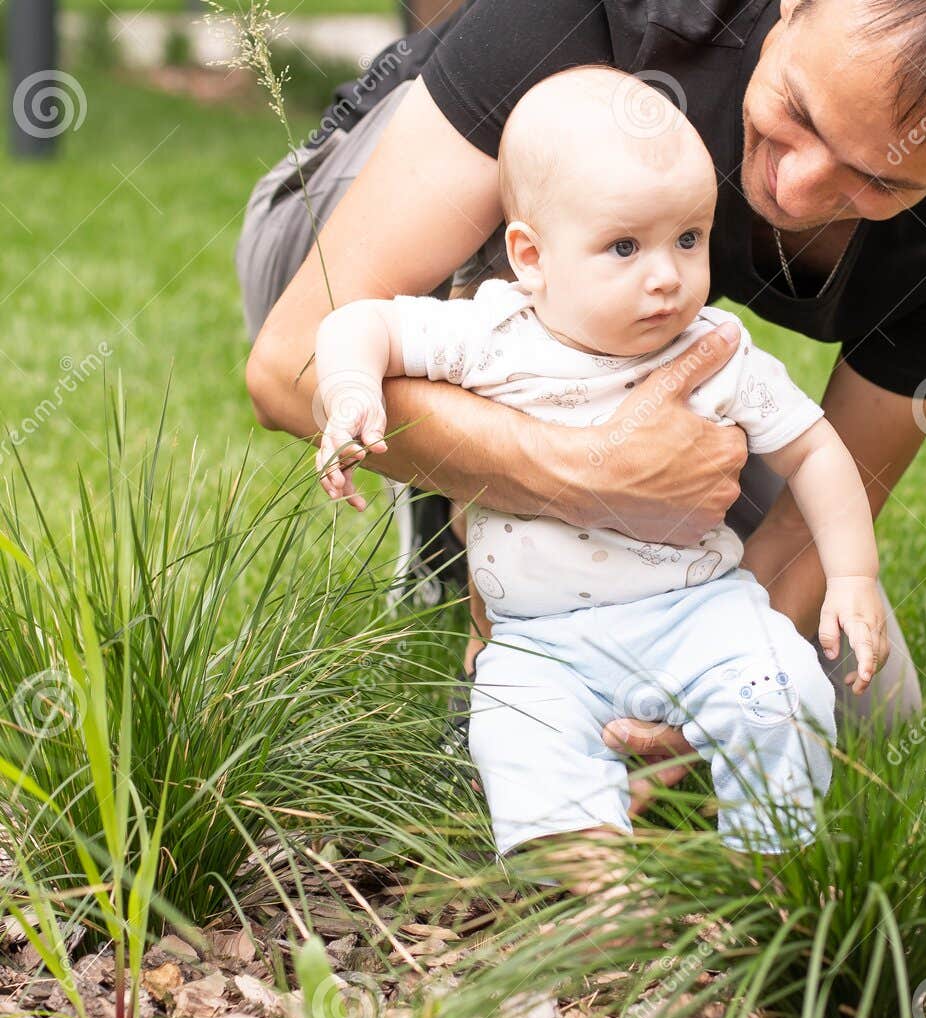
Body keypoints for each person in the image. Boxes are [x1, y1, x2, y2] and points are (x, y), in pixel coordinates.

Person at [239, 0, 926, 770]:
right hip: (350, 259)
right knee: (565, 178)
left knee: (865, 705)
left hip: (634, 351)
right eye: (797, 114)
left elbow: (816, 511)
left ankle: (504, 509)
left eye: (880, 181)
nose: (799, 190)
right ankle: (469, 539)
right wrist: (585, 473)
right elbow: (289, 366)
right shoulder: (593, 18)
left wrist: (691, 701)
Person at [313, 66, 886, 855]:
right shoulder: (494, 335)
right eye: (624, 246)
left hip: (698, 612)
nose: (666, 276)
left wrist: (854, 574)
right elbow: (358, 325)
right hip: (537, 637)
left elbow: (816, 447)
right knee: (518, 739)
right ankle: (600, 892)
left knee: (781, 688)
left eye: (688, 239)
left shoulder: (715, 350)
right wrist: (353, 393)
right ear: (532, 256)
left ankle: (771, 861)